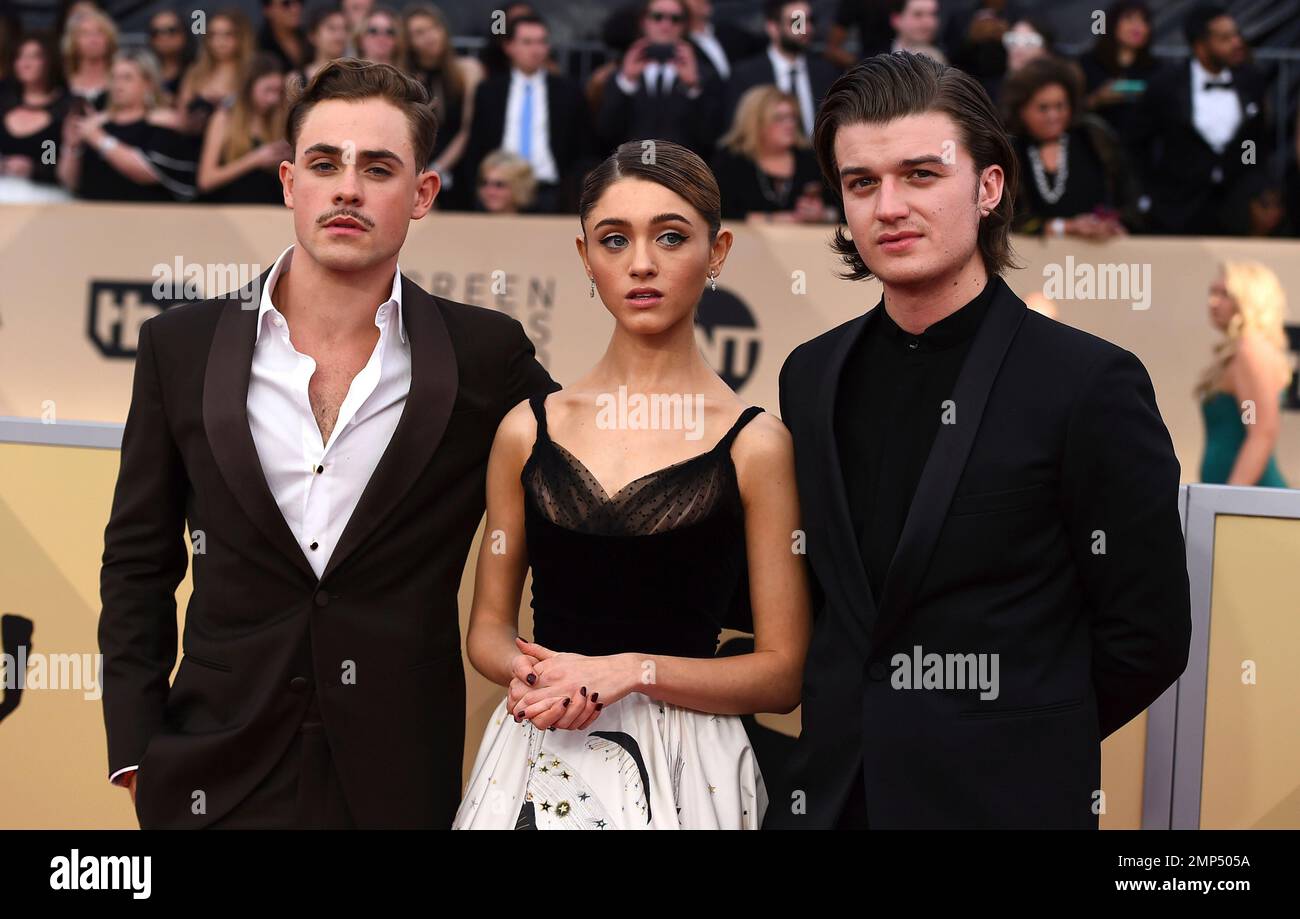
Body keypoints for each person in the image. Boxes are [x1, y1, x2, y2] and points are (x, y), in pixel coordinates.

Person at [97, 58, 560, 829]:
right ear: (288, 182)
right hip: (210, 769)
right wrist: (138, 752)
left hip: (397, 773)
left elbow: (585, 482)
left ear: (422, 195)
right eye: (324, 163)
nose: (347, 188)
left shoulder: (486, 355)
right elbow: (139, 561)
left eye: (378, 168)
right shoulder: (179, 345)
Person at [767, 52, 1190, 829]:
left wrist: (1010, 739)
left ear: (989, 187)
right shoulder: (810, 375)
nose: (887, 206)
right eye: (862, 183)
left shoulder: (1087, 383)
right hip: (829, 802)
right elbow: (824, 600)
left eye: (921, 175)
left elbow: (1150, 636)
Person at [453, 139, 811, 829]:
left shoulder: (758, 443)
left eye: (671, 236)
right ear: (586, 257)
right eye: (615, 240)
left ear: (718, 252)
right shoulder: (526, 430)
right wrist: (533, 676)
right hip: (539, 744)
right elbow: (488, 629)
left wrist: (632, 670)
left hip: (692, 769)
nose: (641, 263)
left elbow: (781, 674)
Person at [1134, 2, 1268, 235]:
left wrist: (1252, 181)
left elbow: (1256, 140)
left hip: (1235, 209)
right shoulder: (1166, 85)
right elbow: (1137, 141)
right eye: (1225, 38)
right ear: (1200, 46)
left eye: (1236, 34)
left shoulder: (1252, 80)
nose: (1237, 43)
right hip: (1176, 210)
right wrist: (1147, 195)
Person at [463, 14, 589, 213]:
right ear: (509, 47)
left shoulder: (568, 91)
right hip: (499, 191)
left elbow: (583, 147)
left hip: (551, 192)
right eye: (527, 42)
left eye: (541, 42)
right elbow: (476, 144)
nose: (536, 49)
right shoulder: (489, 90)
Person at [1001, 56, 1140, 238]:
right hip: (1036, 261)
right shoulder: (1010, 152)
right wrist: (1064, 227)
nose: (1054, 116)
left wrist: (1115, 223)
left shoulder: (1093, 137)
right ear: (1021, 110)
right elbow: (1007, 221)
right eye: (1043, 108)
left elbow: (1130, 199)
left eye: (1060, 106)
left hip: (1101, 257)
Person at [1197, 261, 1292, 487]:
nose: (1213, 302)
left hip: (1249, 499)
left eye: (1225, 294)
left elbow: (1261, 433)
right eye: (1213, 292)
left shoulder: (1251, 352)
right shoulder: (1243, 351)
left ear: (1249, 301)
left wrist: (1231, 500)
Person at [59, 49, 195, 202]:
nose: (118, 85)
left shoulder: (163, 122)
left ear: (148, 83)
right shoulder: (96, 123)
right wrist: (72, 147)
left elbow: (147, 173)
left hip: (145, 218)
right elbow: (69, 182)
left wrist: (98, 139)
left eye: (127, 78)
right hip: (95, 216)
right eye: (114, 78)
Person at [596, 0, 724, 159]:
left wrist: (693, 88)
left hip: (683, 172)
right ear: (643, 22)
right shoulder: (622, 74)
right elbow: (605, 133)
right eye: (657, 17)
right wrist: (626, 82)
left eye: (675, 18)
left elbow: (711, 137)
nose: (666, 24)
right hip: (631, 170)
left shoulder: (706, 75)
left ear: (685, 25)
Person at [725, 0, 842, 143]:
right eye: (796, 22)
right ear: (772, 27)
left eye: (809, 20)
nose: (806, 28)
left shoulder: (826, 72)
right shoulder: (745, 76)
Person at [712, 85, 833, 222]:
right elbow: (718, 213)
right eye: (779, 118)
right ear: (756, 123)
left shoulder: (811, 160)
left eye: (792, 117)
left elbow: (840, 209)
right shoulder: (730, 160)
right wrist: (774, 219)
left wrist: (823, 215)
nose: (790, 124)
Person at [197, 53, 292, 203]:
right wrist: (256, 159)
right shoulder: (224, 118)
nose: (273, 99)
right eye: (267, 90)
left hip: (271, 207)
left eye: (277, 91)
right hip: (233, 207)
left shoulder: (278, 119)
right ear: (249, 87)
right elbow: (206, 180)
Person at [0, 32, 67, 197]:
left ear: (49, 61)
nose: (25, 64)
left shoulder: (64, 108)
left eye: (34, 57)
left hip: (45, 194)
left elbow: (50, 154)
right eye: (20, 57)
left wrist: (34, 168)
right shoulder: (3, 100)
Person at [475, 149, 535, 213]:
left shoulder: (538, 220)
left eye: (499, 185)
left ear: (519, 187)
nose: (490, 192)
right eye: (484, 183)